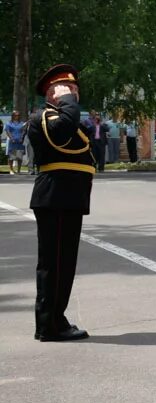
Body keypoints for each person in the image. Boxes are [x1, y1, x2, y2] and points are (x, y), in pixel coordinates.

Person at [27, 64, 94, 341]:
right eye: (68, 90)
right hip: (56, 196)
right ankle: (50, 325)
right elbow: (61, 133)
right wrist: (67, 103)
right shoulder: (43, 117)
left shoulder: (63, 118)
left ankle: (54, 319)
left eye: (74, 90)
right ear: (53, 93)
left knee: (64, 264)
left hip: (67, 197)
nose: (74, 95)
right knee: (54, 264)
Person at [5, 110, 28, 175]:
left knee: (19, 156)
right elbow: (7, 131)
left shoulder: (22, 123)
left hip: (20, 142)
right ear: (12, 116)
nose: (17, 116)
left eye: (18, 115)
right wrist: (11, 138)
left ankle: (18, 170)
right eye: (15, 115)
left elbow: (24, 131)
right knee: (11, 157)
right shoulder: (8, 123)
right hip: (12, 142)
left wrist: (22, 138)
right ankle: (11, 169)